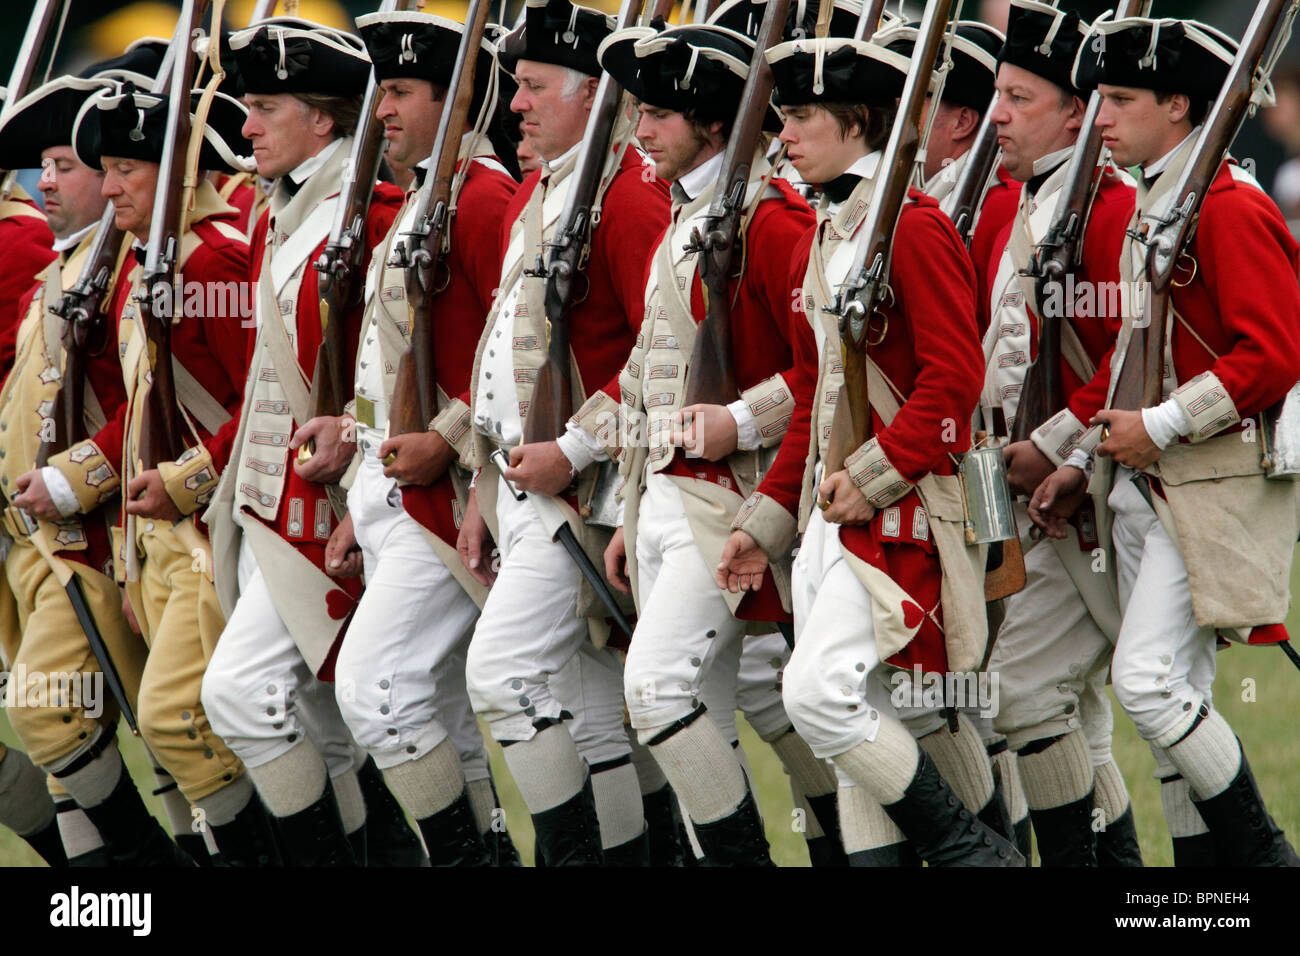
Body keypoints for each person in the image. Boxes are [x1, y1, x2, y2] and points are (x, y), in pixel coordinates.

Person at [512, 20, 817, 864]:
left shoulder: (774, 223)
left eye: (659, 115)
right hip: (664, 503)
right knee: (701, 717)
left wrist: (738, 421)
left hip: (728, 501)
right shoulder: (687, 219)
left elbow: (825, 370)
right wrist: (608, 483)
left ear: (715, 124)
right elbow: (645, 375)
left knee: (656, 696)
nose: (639, 130)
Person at [718, 30, 1022, 866]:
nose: (785, 134)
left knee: (818, 698)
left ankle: (972, 854)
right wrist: (767, 521)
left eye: (804, 115)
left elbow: (955, 380)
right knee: (878, 719)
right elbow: (818, 399)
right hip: (835, 515)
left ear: (859, 121)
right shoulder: (830, 232)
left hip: (904, 510)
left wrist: (875, 474)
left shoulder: (913, 229)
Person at [1032, 13, 1300, 867]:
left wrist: (1160, 425)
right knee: (1172, 695)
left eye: (1119, 98)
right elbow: (1128, 355)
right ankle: (1200, 890)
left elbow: (1275, 354)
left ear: (1179, 104)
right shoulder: (1160, 200)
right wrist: (1078, 459)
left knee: (1146, 686)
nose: (1098, 118)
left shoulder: (1225, 205)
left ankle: (1266, 858)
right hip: (1149, 484)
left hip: (1211, 480)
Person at [452, 0, 670, 865]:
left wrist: (575, 449)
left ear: (592, 97)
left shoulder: (628, 201)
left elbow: (663, 359)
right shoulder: (546, 193)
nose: (515, 105)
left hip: (580, 491)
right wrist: (481, 489)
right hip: (518, 489)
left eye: (534, 87)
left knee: (499, 676)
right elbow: (501, 362)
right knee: (584, 701)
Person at [200, 17, 406, 866]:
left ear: (323, 120)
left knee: (241, 694)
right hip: (263, 500)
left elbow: (389, 365)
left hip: (329, 502)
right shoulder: (284, 214)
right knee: (326, 723)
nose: (244, 128)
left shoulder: (372, 214)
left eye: (262, 107)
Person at [325, 7, 521, 866]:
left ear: (459, 99)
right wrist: (357, 492)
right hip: (388, 487)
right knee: (434, 708)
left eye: (401, 91)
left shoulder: (481, 202)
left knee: (375, 691)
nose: (383, 111)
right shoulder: (422, 203)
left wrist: (445, 438)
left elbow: (500, 358)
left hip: (445, 497)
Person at [67, 72, 277, 864]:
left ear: (179, 173)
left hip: (206, 534)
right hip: (155, 543)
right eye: (108, 169)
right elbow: (147, 409)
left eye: (129, 169)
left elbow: (264, 403)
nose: (108, 184)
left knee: (176, 722)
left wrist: (187, 481)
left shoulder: (213, 263)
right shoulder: (150, 265)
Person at [0, 44, 183, 866]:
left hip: (98, 536)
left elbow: (154, 407)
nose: (50, 183)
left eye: (65, 164)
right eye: (45, 164)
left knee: (164, 727)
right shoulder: (70, 266)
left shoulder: (111, 264)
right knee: (72, 735)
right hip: (43, 535)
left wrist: (76, 481)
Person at [970, 0, 1142, 866]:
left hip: (1087, 492)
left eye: (1019, 96)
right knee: (1060, 703)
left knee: (1031, 695)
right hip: (1013, 488)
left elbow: (1130, 351)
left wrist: (1058, 443)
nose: (996, 113)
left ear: (1077, 111)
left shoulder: (1109, 210)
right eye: (996, 94)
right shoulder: (1016, 208)